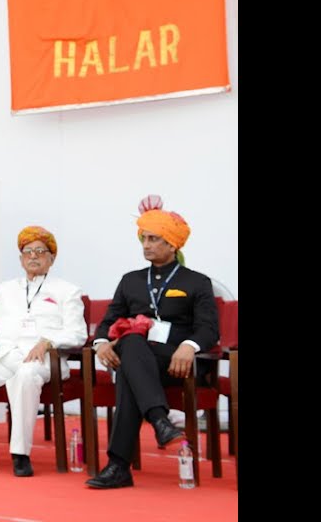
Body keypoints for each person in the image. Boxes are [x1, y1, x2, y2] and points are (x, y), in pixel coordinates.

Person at [85, 208, 219, 489]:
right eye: (144, 239)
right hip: (140, 358)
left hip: (177, 362)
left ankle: (119, 466)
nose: (146, 245)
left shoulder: (197, 281)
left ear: (172, 244)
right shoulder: (130, 280)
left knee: (129, 361)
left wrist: (188, 346)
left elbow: (208, 328)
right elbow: (107, 321)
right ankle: (159, 420)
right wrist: (100, 344)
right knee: (132, 346)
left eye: (153, 239)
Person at [0, 226, 86, 477]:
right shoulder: (5, 289)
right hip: (4, 355)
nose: (33, 256)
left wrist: (48, 341)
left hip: (43, 359)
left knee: (23, 376)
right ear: (20, 258)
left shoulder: (68, 291)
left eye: (40, 251)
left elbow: (77, 333)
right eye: (27, 251)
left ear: (52, 258)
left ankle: (20, 454)